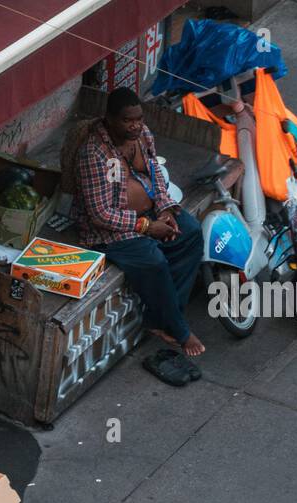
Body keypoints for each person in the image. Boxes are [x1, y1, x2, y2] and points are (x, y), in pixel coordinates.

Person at [74, 87, 206, 357]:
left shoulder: (142, 136)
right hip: (109, 232)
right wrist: (147, 227)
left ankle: (162, 320)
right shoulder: (94, 155)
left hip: (150, 214)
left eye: (139, 119)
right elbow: (100, 214)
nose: (135, 125)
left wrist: (165, 209)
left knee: (190, 233)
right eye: (127, 120)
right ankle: (180, 330)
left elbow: (155, 175)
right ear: (109, 119)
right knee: (154, 260)